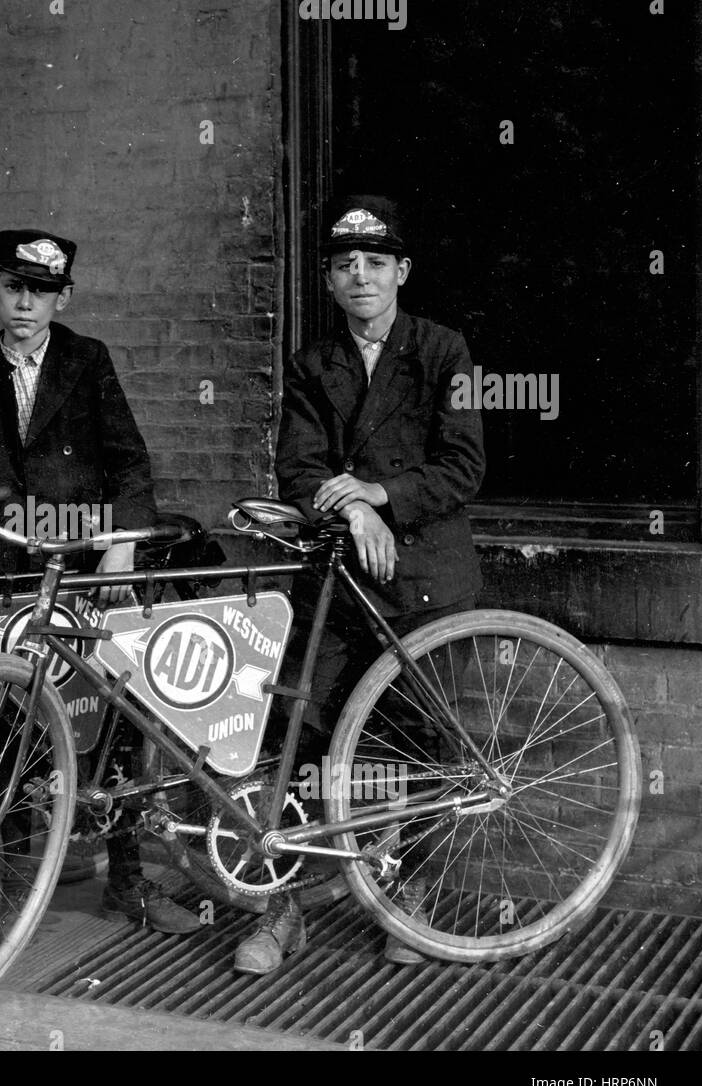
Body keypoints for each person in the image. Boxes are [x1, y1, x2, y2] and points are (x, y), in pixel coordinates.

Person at [0, 228, 201, 943]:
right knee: (6, 730)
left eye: (39, 290)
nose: (24, 303)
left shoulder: (87, 362)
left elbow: (129, 464)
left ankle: (130, 881)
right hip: (1, 570)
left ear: (62, 297)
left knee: (115, 725)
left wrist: (121, 547)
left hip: (85, 572)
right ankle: (15, 891)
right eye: (11, 287)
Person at [231, 194, 485, 974]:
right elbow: (299, 469)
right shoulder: (314, 365)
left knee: (418, 745)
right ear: (332, 281)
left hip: (426, 585)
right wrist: (351, 508)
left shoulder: (447, 353)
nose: (362, 278)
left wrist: (379, 497)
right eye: (346, 267)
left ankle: (408, 900)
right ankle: (286, 906)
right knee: (297, 735)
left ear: (401, 272)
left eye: (376, 264)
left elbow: (464, 464)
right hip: (339, 583)